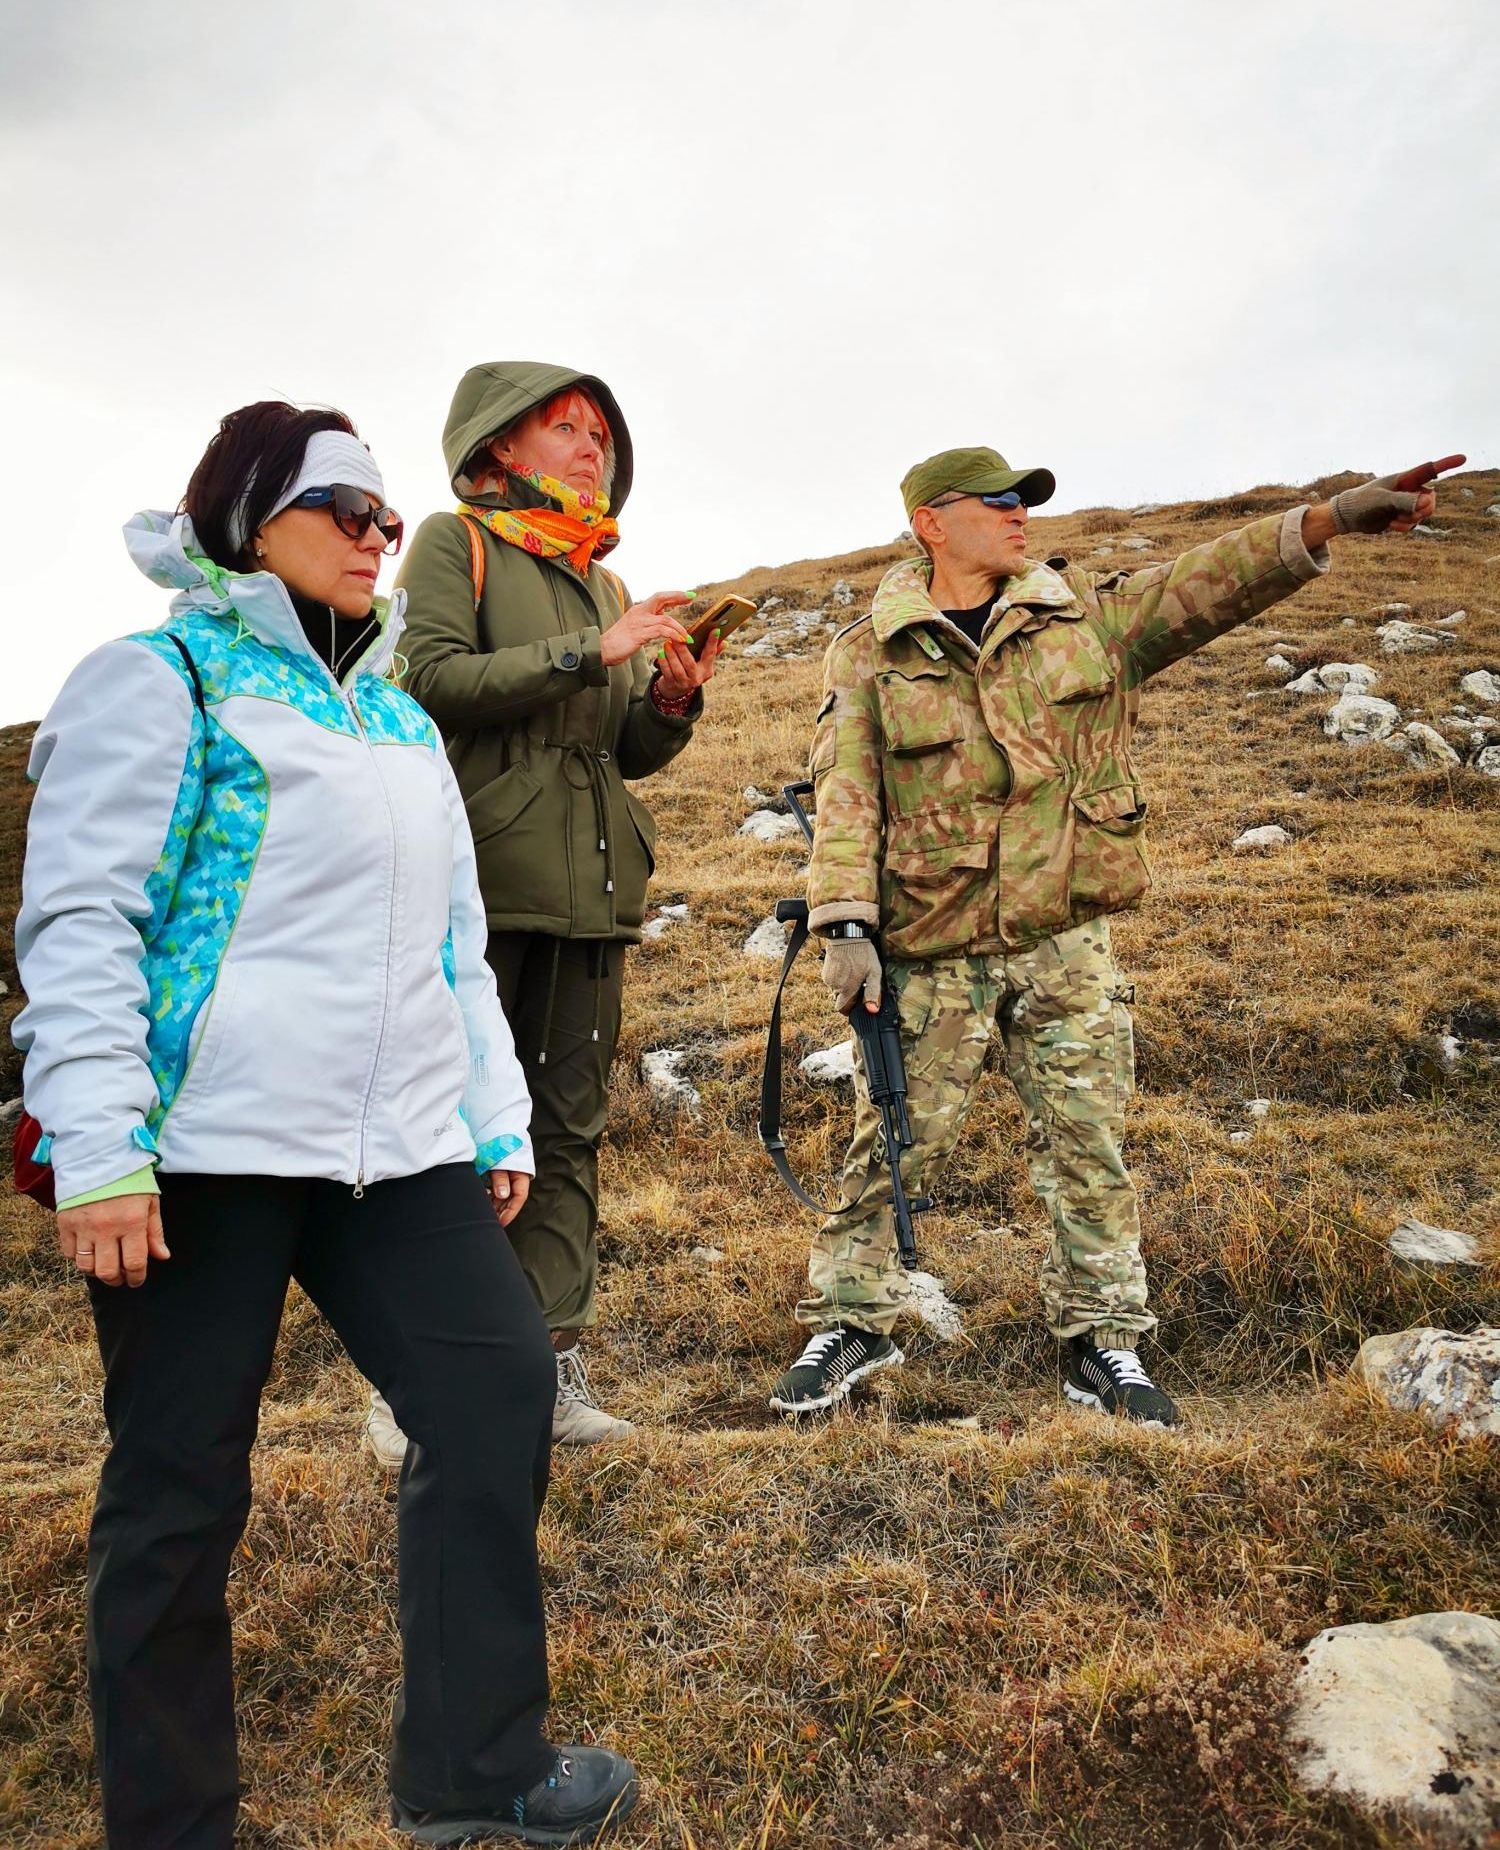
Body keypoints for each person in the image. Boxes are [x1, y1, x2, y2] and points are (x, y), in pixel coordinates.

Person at [12, 402, 637, 1849]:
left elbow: (451, 947)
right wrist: (99, 1148)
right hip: (204, 1157)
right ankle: (172, 1829)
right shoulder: (156, 682)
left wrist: (493, 1121)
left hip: (399, 1153)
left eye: (384, 515)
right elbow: (83, 921)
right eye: (341, 509)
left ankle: (474, 1776)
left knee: (493, 1403)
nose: (377, 534)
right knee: (177, 1491)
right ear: (248, 523)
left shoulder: (399, 716)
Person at [769, 444, 1464, 1425]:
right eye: (997, 501)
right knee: (891, 1142)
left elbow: (1210, 582)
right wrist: (846, 920)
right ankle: (851, 1320)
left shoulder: (1082, 617)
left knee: (1089, 1144)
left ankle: (1102, 1342)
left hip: (1068, 943)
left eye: (1026, 501)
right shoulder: (871, 649)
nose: (1020, 516)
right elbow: (847, 789)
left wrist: (1332, 516)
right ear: (932, 520)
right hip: (933, 946)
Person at [390, 361, 717, 1450]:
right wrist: (593, 648)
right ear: (495, 451)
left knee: (567, 1129)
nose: (594, 448)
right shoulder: (458, 541)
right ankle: (411, 1383)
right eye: (565, 428)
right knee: (454, 1131)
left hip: (595, 891)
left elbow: (621, 748)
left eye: (601, 435)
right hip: (481, 885)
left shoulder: (604, 582)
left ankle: (552, 1370)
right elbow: (429, 678)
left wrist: (668, 697)